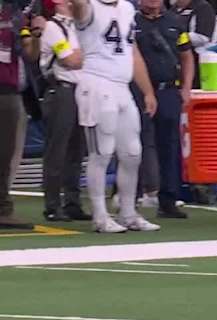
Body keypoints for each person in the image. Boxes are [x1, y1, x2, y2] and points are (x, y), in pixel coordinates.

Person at [71, 0, 160, 233]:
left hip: (122, 86)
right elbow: (79, 9)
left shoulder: (127, 8)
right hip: (97, 82)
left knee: (132, 153)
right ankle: (100, 215)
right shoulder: (89, 6)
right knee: (101, 152)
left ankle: (128, 213)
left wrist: (147, 90)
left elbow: (133, 51)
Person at [29, 0, 91, 221]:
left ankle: (73, 202)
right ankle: (53, 204)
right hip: (60, 90)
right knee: (58, 149)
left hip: (78, 90)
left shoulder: (76, 26)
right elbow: (71, 60)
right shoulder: (53, 27)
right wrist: (89, 54)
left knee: (77, 149)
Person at [135, 0, 194, 219]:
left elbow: (186, 55)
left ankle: (168, 200)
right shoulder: (132, 22)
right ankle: (131, 198)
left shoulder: (175, 22)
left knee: (169, 145)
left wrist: (186, 87)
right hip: (139, 90)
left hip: (168, 90)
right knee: (135, 144)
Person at [0, 0, 32, 229]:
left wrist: (35, 33)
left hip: (8, 90)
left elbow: (28, 54)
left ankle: (3, 208)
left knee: (5, 154)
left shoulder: (14, 14)